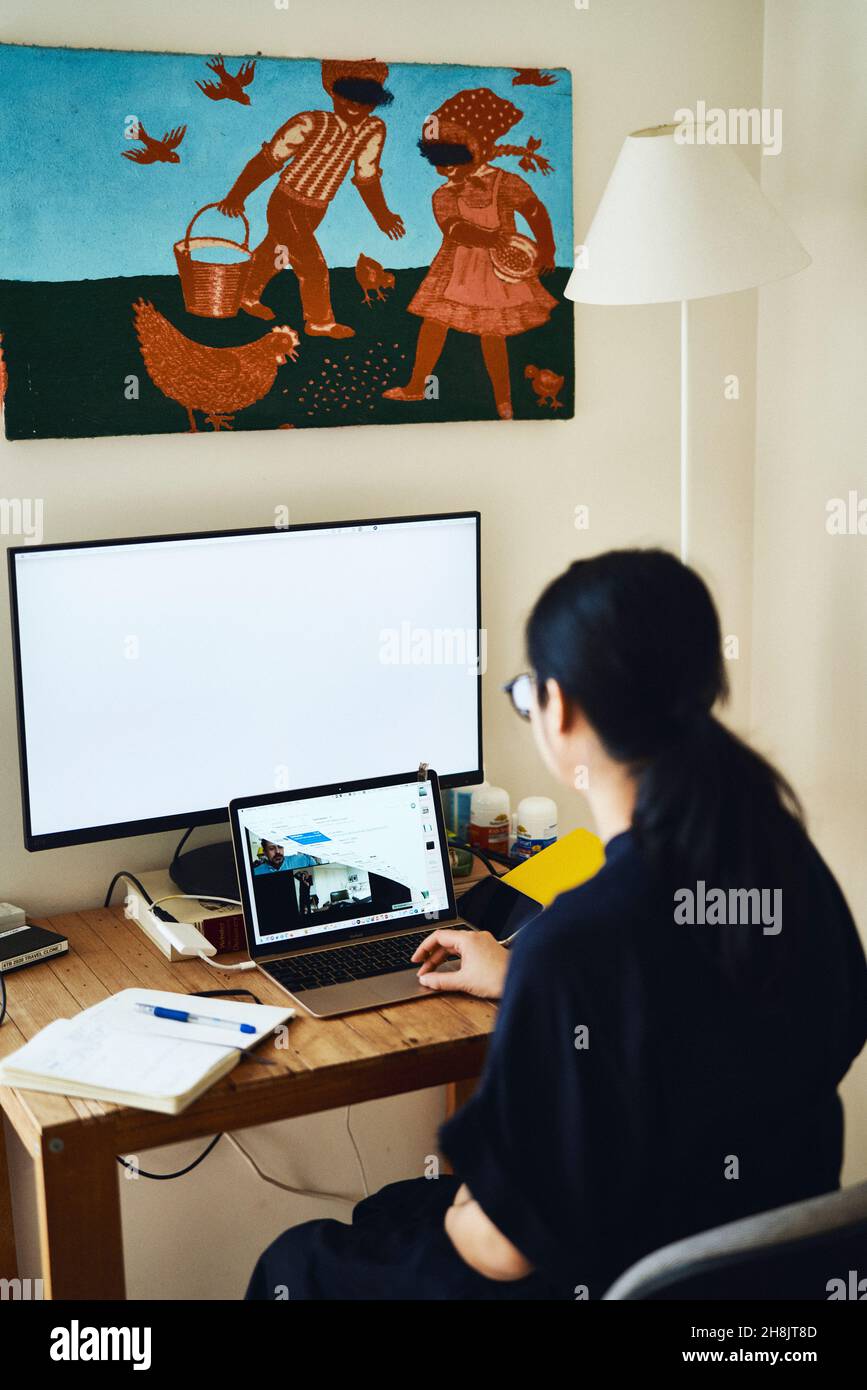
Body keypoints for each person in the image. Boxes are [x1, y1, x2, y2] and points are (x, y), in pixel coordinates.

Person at [245, 549, 867, 1299]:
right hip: (758, 1268)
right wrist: (521, 976)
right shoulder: (784, 860)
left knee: (297, 1262)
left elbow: (502, 1251)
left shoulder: (582, 939)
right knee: (394, 1207)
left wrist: (478, 1195)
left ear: (559, 709)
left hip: (605, 1275)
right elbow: (710, 1026)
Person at [383, 88, 557, 420]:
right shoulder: (443, 195)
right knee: (434, 323)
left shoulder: (505, 182)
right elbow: (454, 230)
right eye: (437, 161)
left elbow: (534, 210)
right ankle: (418, 385)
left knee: (492, 334)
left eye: (451, 159)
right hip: (455, 269)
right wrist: (493, 239)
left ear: (475, 151)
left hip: (500, 270)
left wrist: (547, 247)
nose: (443, 169)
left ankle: (503, 403)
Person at [218, 59, 405, 337]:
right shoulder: (310, 122)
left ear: (375, 102)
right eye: (348, 95)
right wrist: (236, 196)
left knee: (273, 252)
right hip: (286, 203)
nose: (355, 105)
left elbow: (366, 178)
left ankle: (243, 295)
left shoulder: (373, 130)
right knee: (311, 263)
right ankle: (319, 321)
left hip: (317, 209)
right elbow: (269, 161)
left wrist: (383, 216)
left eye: (365, 99)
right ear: (332, 92)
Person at [253, 839, 320, 876]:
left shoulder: (302, 860)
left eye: (280, 846)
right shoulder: (256, 872)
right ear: (265, 852)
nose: (278, 852)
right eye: (271, 848)